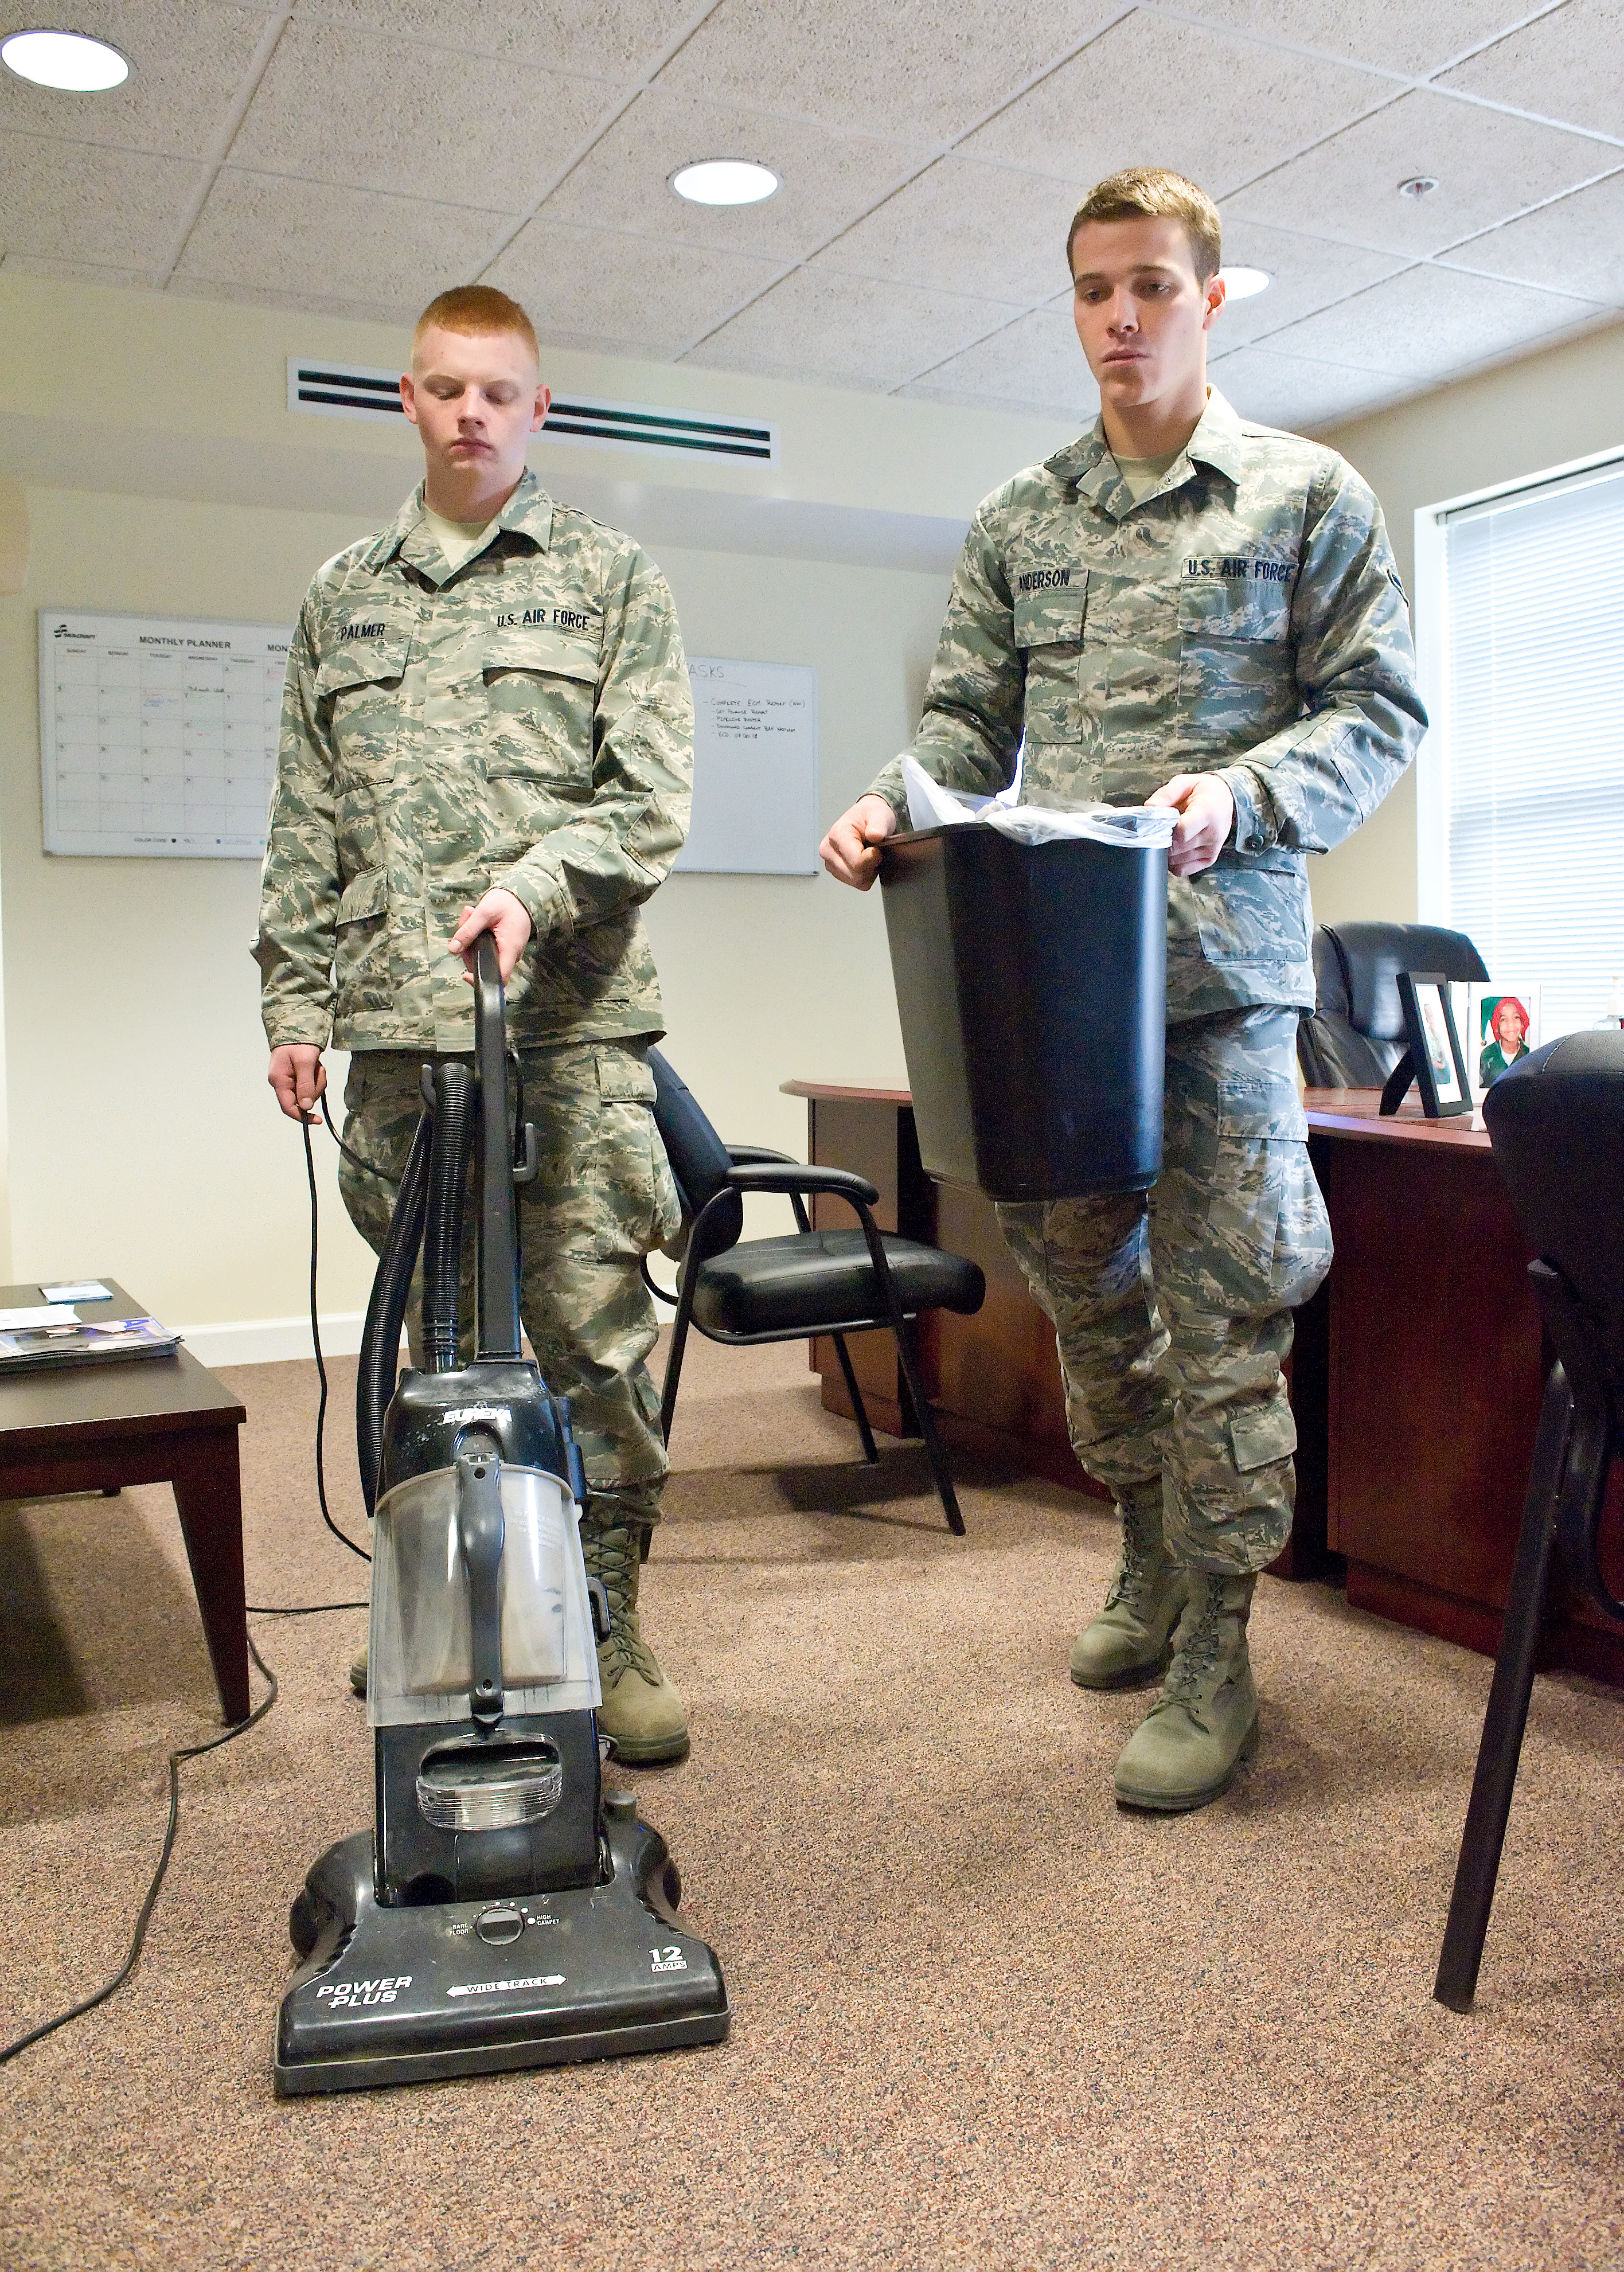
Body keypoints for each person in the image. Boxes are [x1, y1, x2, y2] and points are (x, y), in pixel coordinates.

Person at [820, 169, 1426, 1812]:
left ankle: (1222, 1640)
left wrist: (1244, 795)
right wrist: (895, 799)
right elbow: (964, 723)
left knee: (1223, 1315)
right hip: (1058, 987)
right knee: (1091, 1302)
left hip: (1220, 981)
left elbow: (1380, 710)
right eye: (1095, 290)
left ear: (1212, 299)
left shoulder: (1308, 496)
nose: (1123, 318)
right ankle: (1152, 1558)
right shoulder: (1024, 517)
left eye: (1153, 285)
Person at [256, 284, 694, 1764]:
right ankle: (442, 1620)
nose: (471, 414)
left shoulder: (610, 580)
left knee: (586, 1334)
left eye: (498, 391)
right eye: (445, 388)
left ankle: (609, 1620)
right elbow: (308, 823)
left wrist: (529, 884)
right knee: (433, 1347)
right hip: (395, 1039)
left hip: (565, 1032)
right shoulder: (344, 594)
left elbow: (647, 802)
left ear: (537, 409)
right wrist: (293, 999)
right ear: (408, 398)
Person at [1479, 996, 1531, 1087]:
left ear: (1523, 1023)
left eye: (1516, 1017)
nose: (1511, 1024)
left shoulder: (1530, 1055)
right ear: (1497, 1026)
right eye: (1503, 1019)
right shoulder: (1487, 1055)